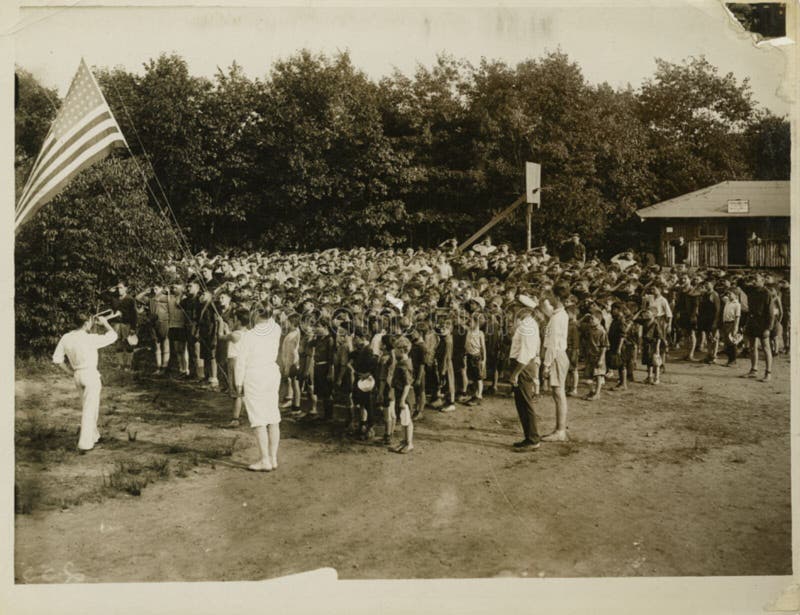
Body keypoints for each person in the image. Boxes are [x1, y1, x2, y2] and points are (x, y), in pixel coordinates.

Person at [52, 311, 118, 453]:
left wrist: (71, 372)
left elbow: (57, 360)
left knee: (89, 406)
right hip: (90, 374)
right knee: (90, 409)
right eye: (90, 321)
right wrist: (106, 323)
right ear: (86, 323)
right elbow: (113, 336)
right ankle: (85, 444)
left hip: (77, 375)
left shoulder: (66, 337)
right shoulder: (90, 338)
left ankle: (94, 436)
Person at [234, 304, 282, 472]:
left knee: (259, 418)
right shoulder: (276, 329)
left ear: (255, 315)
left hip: (255, 375)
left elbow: (241, 362)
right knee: (273, 416)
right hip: (271, 372)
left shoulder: (248, 336)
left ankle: (265, 459)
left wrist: (238, 383)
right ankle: (273, 458)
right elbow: (273, 321)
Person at [508, 295, 541, 451]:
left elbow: (526, 354)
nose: (514, 310)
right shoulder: (526, 324)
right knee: (521, 403)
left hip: (523, 366)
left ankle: (533, 438)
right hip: (522, 365)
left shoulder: (528, 326)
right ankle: (529, 437)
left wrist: (515, 373)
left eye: (516, 307)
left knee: (526, 403)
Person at [541, 282, 571, 442]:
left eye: (552, 295)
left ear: (557, 297)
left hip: (556, 355)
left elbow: (552, 344)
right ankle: (560, 429)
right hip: (558, 355)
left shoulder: (558, 317)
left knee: (559, 394)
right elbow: (547, 309)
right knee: (558, 393)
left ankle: (560, 431)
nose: (549, 297)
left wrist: (546, 365)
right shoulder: (559, 313)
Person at [386, 336, 415, 454]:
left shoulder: (405, 365)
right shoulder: (401, 362)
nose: (394, 351)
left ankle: (409, 443)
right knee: (403, 420)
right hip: (400, 393)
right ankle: (404, 441)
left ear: (402, 350)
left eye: (396, 349)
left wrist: (402, 400)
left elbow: (407, 384)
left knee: (407, 420)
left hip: (405, 396)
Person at [742, 273, 773, 382]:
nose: (753, 281)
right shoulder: (751, 291)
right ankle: (753, 371)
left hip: (762, 322)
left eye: (756, 279)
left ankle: (768, 373)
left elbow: (770, 313)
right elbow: (741, 283)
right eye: (753, 279)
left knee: (766, 348)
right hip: (752, 321)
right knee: (752, 347)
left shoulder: (767, 293)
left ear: (763, 280)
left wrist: (768, 328)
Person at [222, 309, 248, 427]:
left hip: (235, 363)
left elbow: (220, 337)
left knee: (236, 392)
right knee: (241, 389)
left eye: (235, 319)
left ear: (238, 320)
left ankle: (235, 418)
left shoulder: (235, 335)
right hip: (244, 362)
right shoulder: (248, 333)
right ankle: (240, 415)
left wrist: (220, 325)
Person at [109, 282, 138, 371]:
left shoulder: (130, 299)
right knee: (118, 343)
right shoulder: (114, 299)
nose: (119, 290)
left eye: (121, 288)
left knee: (128, 344)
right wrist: (111, 291)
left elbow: (134, 315)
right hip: (117, 325)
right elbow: (101, 296)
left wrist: (133, 328)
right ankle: (120, 364)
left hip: (127, 324)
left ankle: (128, 365)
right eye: (118, 288)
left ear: (126, 288)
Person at [582, 308, 609, 400]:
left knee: (598, 375)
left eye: (592, 319)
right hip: (590, 355)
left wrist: (601, 359)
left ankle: (597, 393)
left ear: (599, 319)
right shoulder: (589, 329)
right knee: (589, 375)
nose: (590, 321)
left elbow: (604, 346)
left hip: (598, 356)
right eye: (590, 319)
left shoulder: (602, 331)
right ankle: (591, 392)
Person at [720, 290, 741, 367]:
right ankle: (730, 360)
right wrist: (726, 293)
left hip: (732, 323)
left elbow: (737, 317)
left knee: (732, 342)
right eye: (728, 294)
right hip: (726, 323)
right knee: (727, 342)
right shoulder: (728, 301)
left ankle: (734, 360)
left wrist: (735, 327)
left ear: (735, 295)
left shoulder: (737, 304)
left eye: (730, 294)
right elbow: (722, 296)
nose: (728, 295)